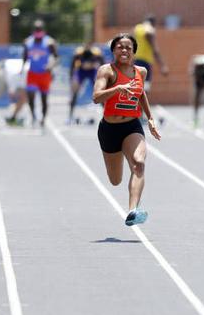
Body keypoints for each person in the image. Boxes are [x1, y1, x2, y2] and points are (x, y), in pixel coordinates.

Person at [92, 33, 161, 227]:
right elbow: (96, 97)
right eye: (120, 47)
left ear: (134, 52)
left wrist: (150, 118)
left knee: (139, 163)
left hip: (132, 126)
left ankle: (132, 210)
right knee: (115, 180)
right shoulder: (107, 71)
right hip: (109, 129)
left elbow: (141, 93)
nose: (124, 50)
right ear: (113, 51)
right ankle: (119, 155)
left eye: (128, 48)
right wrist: (117, 89)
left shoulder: (141, 72)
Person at [22, 20, 58, 128]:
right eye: (36, 29)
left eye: (40, 29)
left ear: (43, 30)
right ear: (33, 31)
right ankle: (33, 116)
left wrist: (50, 66)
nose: (38, 32)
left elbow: (56, 58)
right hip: (32, 73)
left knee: (44, 98)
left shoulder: (49, 42)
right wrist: (22, 68)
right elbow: (24, 57)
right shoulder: (28, 42)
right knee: (30, 96)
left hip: (44, 74)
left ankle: (43, 119)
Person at [133, 15, 169, 95]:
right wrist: (162, 65)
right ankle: (141, 102)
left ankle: (136, 102)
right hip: (145, 62)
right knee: (145, 88)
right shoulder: (150, 29)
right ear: (153, 23)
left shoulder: (138, 28)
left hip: (136, 60)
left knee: (137, 85)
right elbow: (154, 49)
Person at [0, 58, 28, 125]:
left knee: (25, 96)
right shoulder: (27, 70)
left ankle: (12, 118)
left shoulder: (33, 70)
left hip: (10, 72)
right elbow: (14, 76)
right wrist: (12, 89)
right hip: (2, 69)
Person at [69, 43, 104, 124]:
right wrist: (71, 77)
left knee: (99, 92)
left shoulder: (96, 53)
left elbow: (103, 64)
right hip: (81, 71)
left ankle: (106, 114)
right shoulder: (79, 53)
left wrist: (103, 76)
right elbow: (72, 65)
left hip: (92, 71)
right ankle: (70, 115)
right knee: (75, 92)